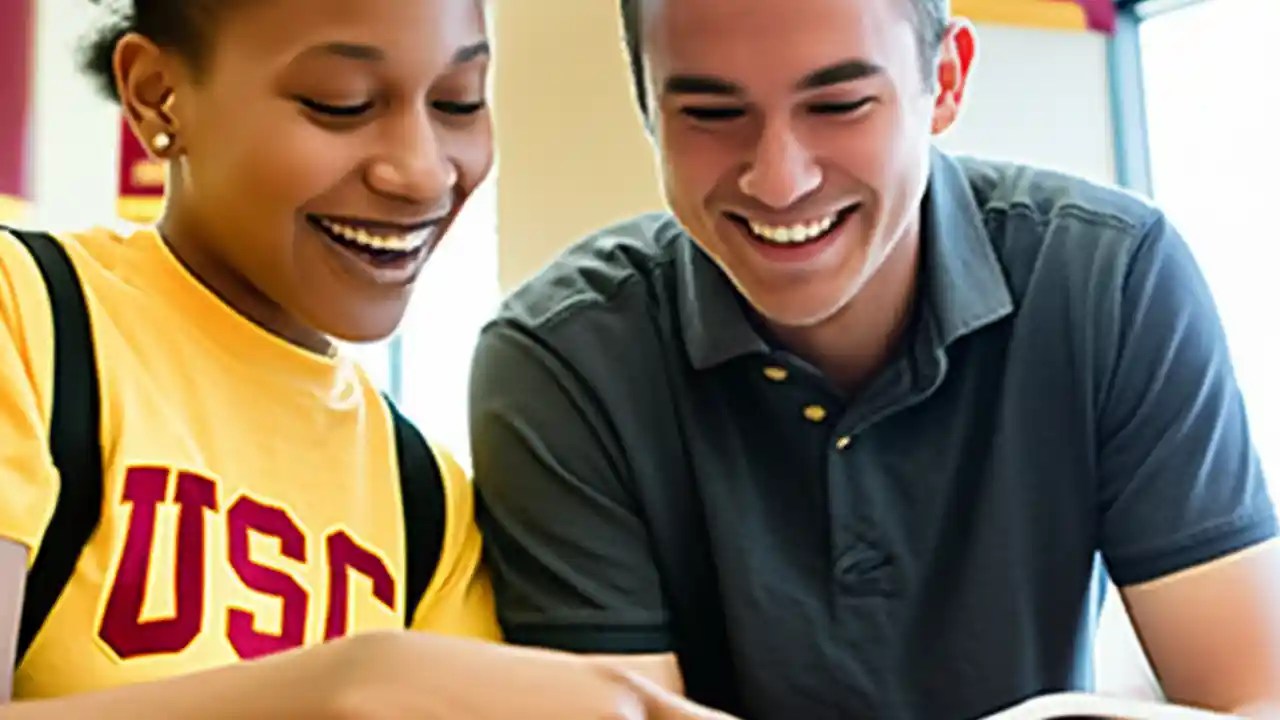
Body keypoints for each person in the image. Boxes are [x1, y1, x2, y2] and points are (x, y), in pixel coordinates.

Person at [468, 0, 1280, 718]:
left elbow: (1257, 696)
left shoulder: (1110, 279)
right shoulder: (561, 362)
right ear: (647, 106)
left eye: (839, 105)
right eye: (711, 113)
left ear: (946, 80)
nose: (779, 180)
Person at [0, 0, 700, 717]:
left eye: (457, 103)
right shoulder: (27, 319)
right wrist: (338, 688)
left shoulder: (426, 500)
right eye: (341, 103)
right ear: (157, 94)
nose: (421, 173)